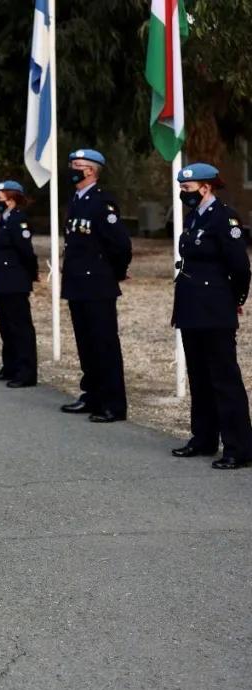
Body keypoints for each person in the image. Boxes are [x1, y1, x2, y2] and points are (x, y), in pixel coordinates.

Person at [170, 162, 252, 469]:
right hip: (192, 307)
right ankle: (203, 438)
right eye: (182, 189)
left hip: (216, 309)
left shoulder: (225, 218)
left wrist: (236, 299)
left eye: (188, 189)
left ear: (206, 188)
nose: (183, 194)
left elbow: (241, 267)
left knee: (224, 379)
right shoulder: (193, 218)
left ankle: (239, 447)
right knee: (199, 377)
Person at [59, 149, 132, 423]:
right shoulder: (77, 200)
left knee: (104, 345)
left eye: (77, 165)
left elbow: (121, 244)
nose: (72, 169)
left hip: (98, 283)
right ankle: (92, 395)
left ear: (91, 170)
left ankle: (113, 403)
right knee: (85, 343)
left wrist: (116, 272)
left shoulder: (102, 202)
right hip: (78, 282)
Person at [0, 180, 38, 388]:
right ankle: (11, 366)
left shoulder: (18, 220)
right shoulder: (5, 219)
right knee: (7, 326)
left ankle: (26, 372)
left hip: (15, 280)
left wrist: (31, 275)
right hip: (2, 280)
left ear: (12, 198)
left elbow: (26, 252)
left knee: (20, 327)